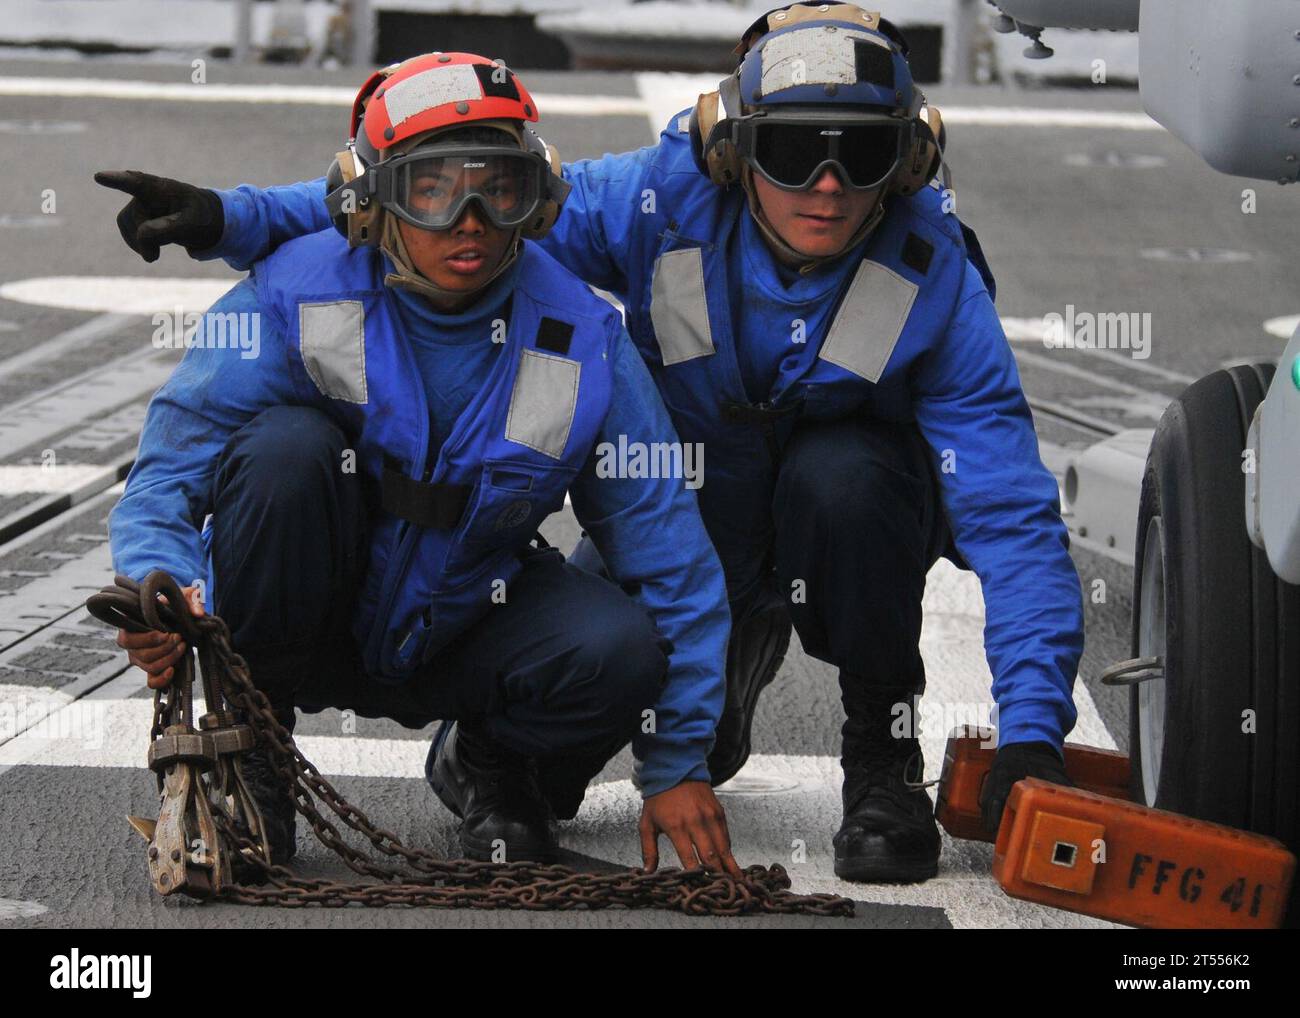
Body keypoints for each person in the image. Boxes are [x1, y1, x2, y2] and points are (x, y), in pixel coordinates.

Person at [101, 4, 1082, 884]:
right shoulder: (651, 204)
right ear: (731, 148)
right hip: (668, 518)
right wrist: (237, 219)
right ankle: (453, 760)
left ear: (906, 164)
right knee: (286, 455)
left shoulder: (928, 272)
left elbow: (1008, 508)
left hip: (810, 538)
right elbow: (423, 192)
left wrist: (1033, 732)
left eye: (858, 154)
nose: (825, 186)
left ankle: (879, 762)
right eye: (793, 151)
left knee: (848, 477)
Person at [100, 52, 739, 876]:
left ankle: (493, 760)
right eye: (431, 190)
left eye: (497, 187)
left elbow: (670, 552)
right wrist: (163, 592)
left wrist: (678, 762)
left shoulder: (585, 340)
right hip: (309, 615)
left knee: (619, 649)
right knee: (285, 452)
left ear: (534, 198)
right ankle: (253, 753)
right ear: (372, 201)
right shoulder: (295, 294)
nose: (469, 219)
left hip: (465, 616)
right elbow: (170, 468)